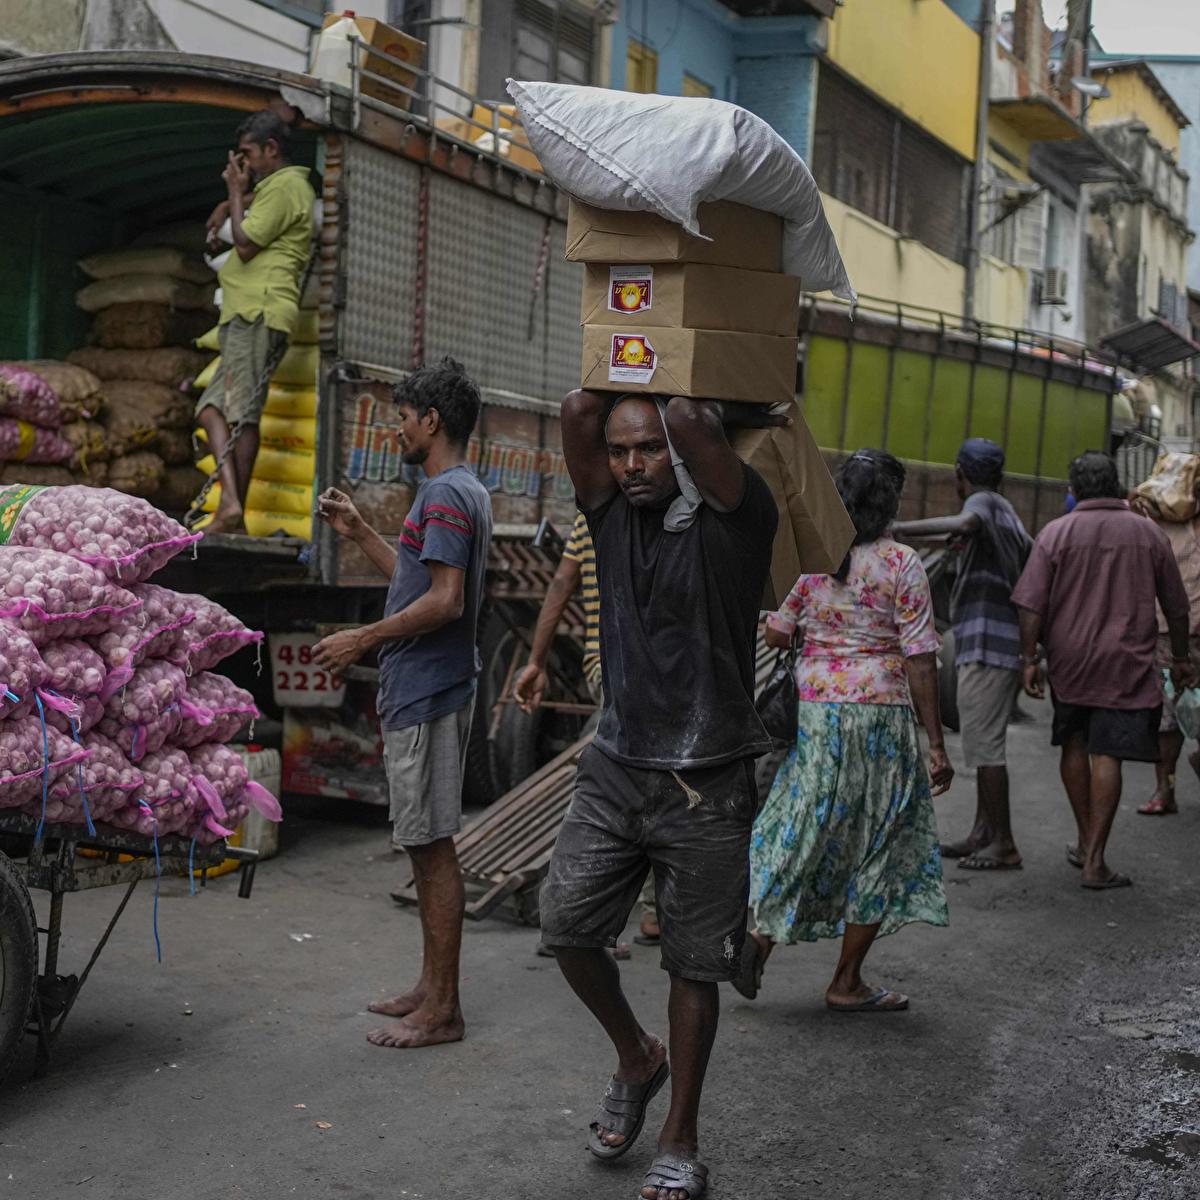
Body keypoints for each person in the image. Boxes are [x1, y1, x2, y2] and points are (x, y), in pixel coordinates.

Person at [539, 390, 780, 1200]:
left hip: (709, 780)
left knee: (693, 965)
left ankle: (681, 1137)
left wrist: (680, 369)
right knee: (566, 926)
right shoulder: (608, 515)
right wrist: (630, 338)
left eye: (646, 450)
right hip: (616, 766)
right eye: (620, 451)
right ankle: (638, 1056)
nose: (631, 465)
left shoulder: (739, 520)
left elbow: (692, 419)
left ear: (679, 453)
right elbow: (577, 409)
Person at [312, 358, 491, 1048]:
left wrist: (363, 636)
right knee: (424, 844)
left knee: (431, 844)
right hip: (428, 685)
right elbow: (422, 580)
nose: (395, 430)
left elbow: (445, 602)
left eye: (400, 417)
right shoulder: (457, 490)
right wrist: (360, 532)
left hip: (429, 688)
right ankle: (431, 986)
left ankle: (443, 1009)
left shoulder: (446, 494)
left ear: (431, 421)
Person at [737, 450, 953, 1011]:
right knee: (881, 839)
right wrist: (935, 742)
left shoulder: (814, 559)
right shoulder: (902, 563)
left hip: (818, 714)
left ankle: (759, 938)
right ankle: (846, 982)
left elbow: (778, 635)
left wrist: (823, 627)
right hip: (881, 716)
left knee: (803, 823)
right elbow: (921, 658)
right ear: (890, 504)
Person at [1012, 451, 1195, 889]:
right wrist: (1184, 658)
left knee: (1073, 742)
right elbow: (1177, 606)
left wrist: (1029, 660)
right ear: (1116, 485)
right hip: (1127, 661)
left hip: (1069, 660)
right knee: (1106, 752)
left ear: (1073, 490)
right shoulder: (1149, 535)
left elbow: (1031, 607)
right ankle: (1095, 858)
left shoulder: (1056, 533)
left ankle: (1083, 837)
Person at [514, 512, 659, 949]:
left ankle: (650, 913)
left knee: (645, 783)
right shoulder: (659, 511)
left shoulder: (590, 515)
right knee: (618, 789)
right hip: (641, 671)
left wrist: (536, 661)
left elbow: (561, 585)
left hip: (611, 669)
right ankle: (570, 914)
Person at [892, 438, 1032, 870]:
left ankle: (1003, 842)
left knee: (985, 748)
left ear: (959, 474)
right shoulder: (1005, 511)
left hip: (989, 644)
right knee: (980, 741)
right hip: (994, 641)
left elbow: (966, 522)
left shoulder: (984, 505)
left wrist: (898, 530)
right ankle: (981, 833)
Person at [197, 110, 315, 534]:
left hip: (259, 311)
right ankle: (232, 507)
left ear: (272, 150)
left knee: (240, 414)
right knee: (212, 409)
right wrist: (232, 202)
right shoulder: (275, 189)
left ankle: (231, 509)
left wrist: (233, 189)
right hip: (245, 311)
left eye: (247, 154)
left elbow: (245, 245)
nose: (243, 164)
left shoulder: (288, 187)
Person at [1136, 508, 1200, 815]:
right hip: (1167, 636)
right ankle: (1165, 786)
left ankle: (1174, 779)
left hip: (1186, 633)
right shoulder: (1159, 523)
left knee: (1183, 710)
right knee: (1168, 712)